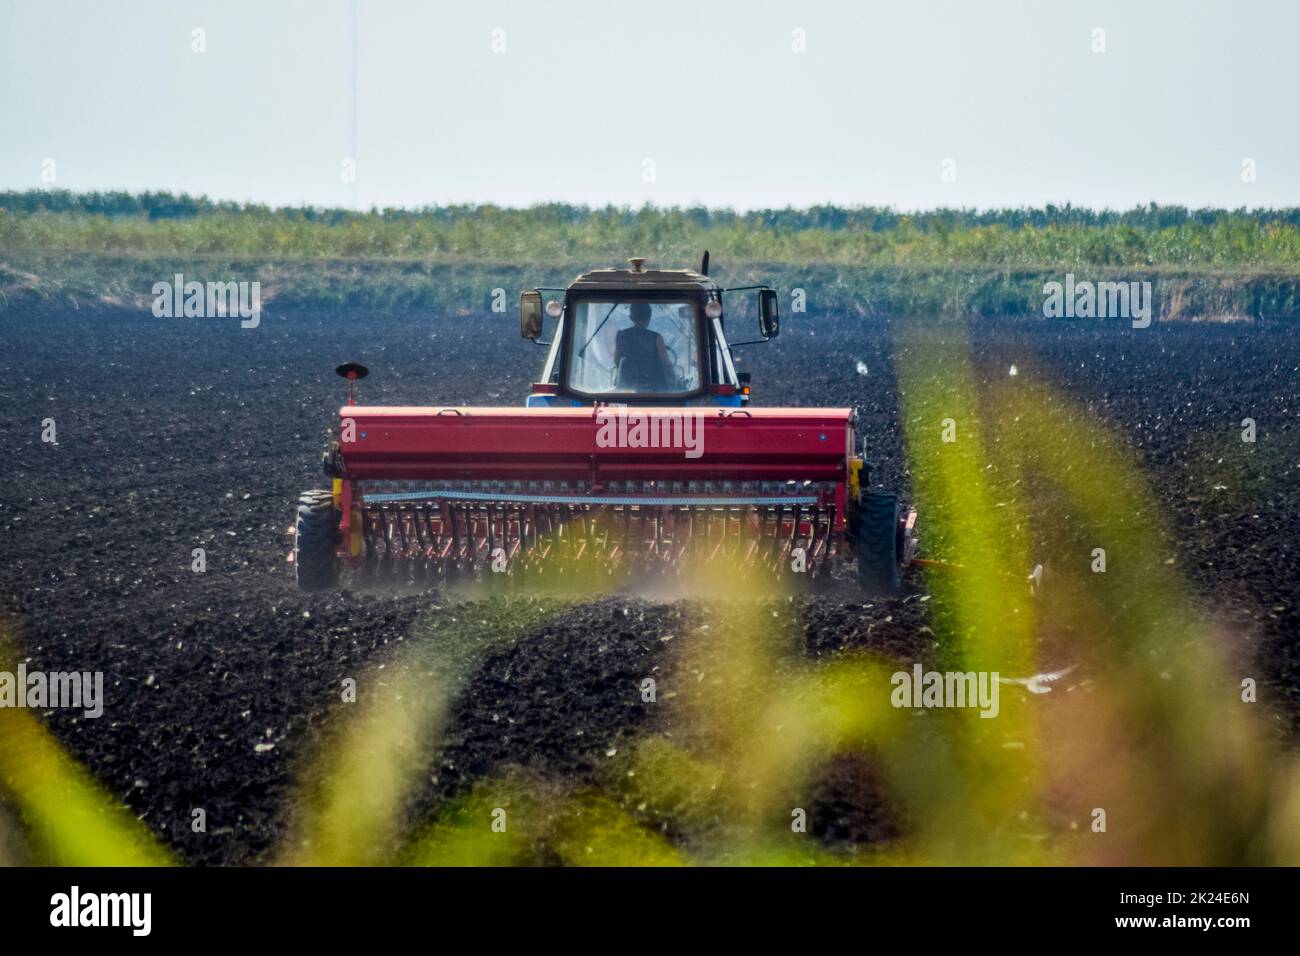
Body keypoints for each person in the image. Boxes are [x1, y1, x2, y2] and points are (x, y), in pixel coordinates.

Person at [613, 302, 672, 390]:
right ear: (649, 317)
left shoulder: (620, 335)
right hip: (653, 388)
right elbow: (666, 363)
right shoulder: (656, 337)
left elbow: (617, 361)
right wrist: (673, 379)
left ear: (631, 317)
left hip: (626, 386)